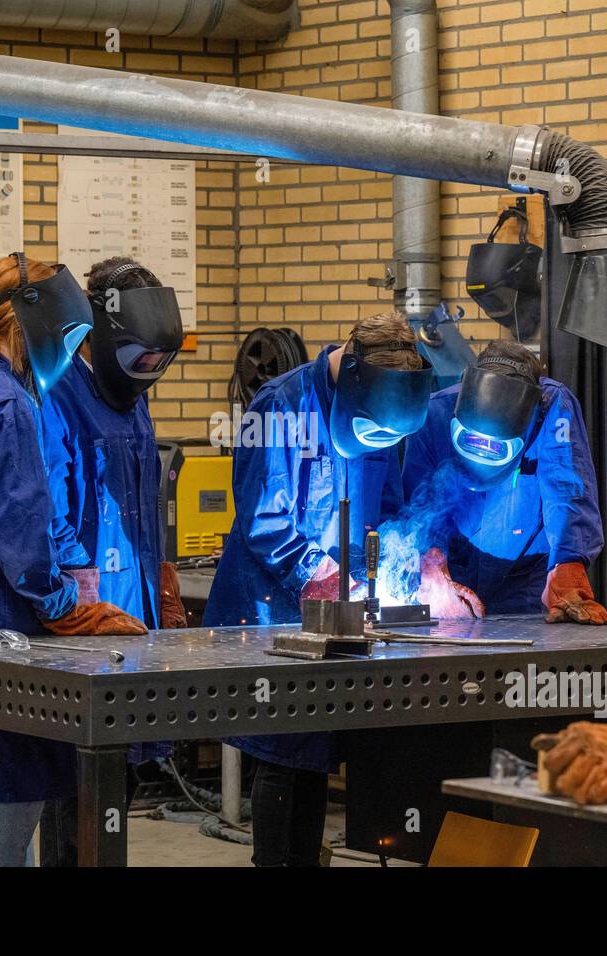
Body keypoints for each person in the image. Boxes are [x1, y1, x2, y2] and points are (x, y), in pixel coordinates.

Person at [0, 252, 147, 867]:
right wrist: (70, 611)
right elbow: (22, 540)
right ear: (33, 327)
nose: (69, 357)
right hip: (0, 651)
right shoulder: (9, 406)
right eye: (68, 340)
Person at [202, 311, 439, 867]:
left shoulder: (384, 405)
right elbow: (265, 520)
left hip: (341, 618)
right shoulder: (278, 408)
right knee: (284, 752)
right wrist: (325, 575)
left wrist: (417, 559)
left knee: (315, 754)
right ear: (350, 375)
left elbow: (388, 509)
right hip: (273, 610)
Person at [35, 255, 188, 864]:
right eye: (139, 360)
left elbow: (140, 506)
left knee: (112, 799)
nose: (147, 373)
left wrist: (162, 583)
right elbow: (48, 515)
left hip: (133, 627)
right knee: (73, 804)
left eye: (157, 363)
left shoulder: (133, 397)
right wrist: (84, 604)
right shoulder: (58, 396)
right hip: (83, 628)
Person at [401, 339, 607, 624]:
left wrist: (568, 562)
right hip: (456, 567)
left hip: (525, 575)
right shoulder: (435, 413)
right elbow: (420, 507)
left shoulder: (551, 407)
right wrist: (432, 568)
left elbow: (566, 490)